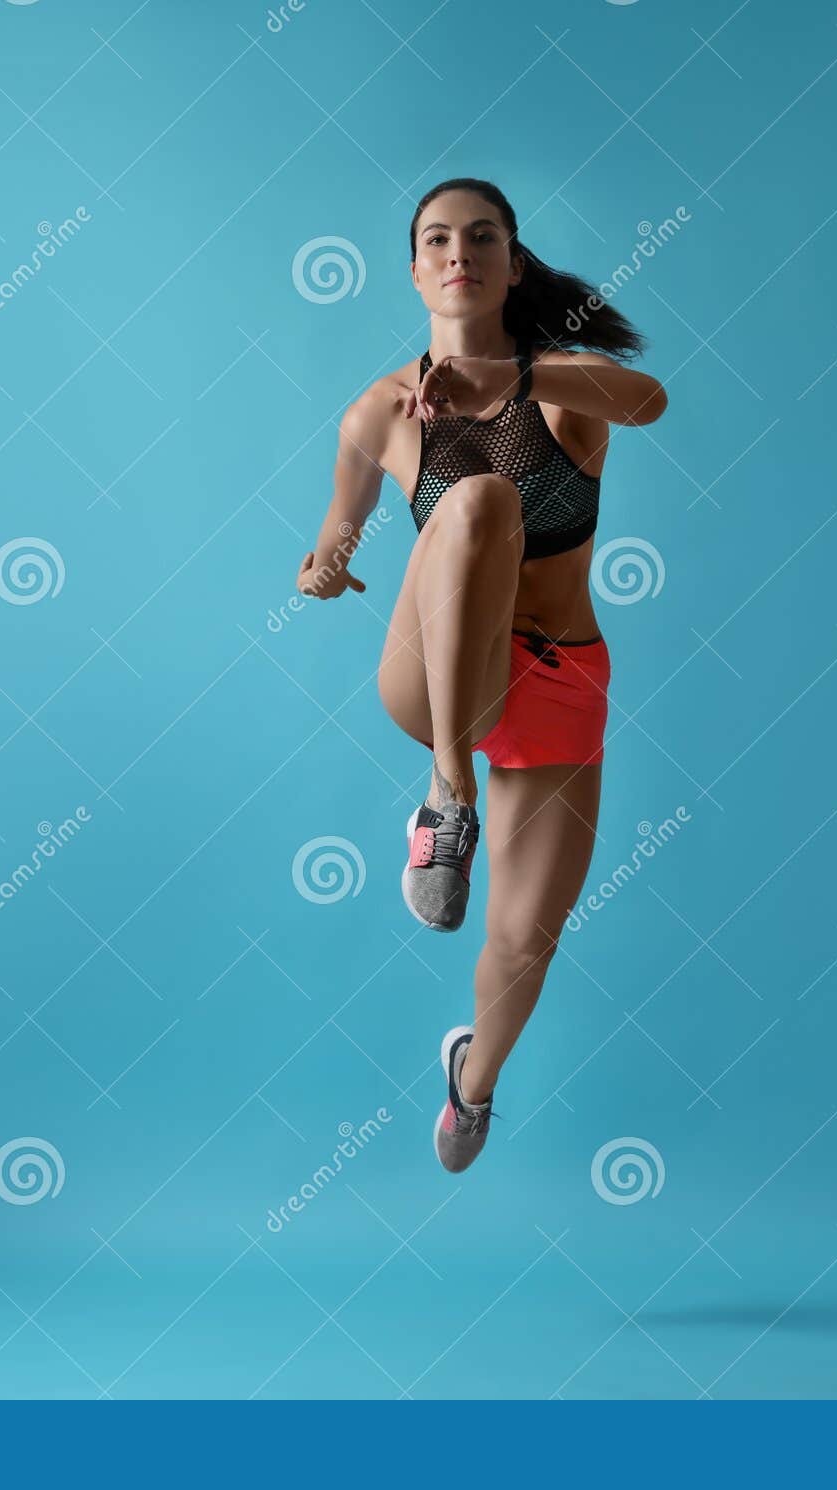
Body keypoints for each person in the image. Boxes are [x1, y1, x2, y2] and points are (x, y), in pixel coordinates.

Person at [296, 177, 668, 1172]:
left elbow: (649, 398)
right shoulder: (377, 411)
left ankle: (473, 1078)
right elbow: (333, 533)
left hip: (555, 686)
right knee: (478, 503)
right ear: (416, 268)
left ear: (510, 262)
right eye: (437, 238)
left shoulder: (566, 386)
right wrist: (325, 566)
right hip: (438, 683)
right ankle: (444, 797)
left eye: (483, 236)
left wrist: (516, 386)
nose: (459, 251)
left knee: (519, 945)